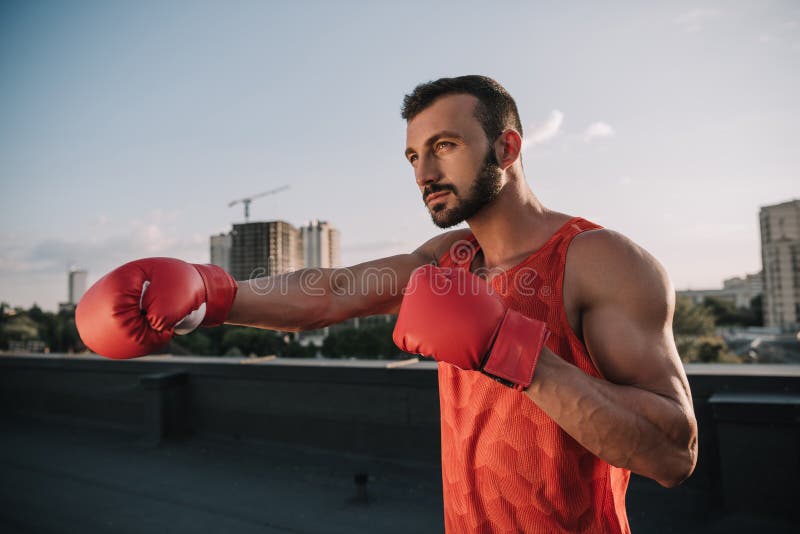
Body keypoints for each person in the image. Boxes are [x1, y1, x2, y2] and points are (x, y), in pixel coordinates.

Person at [76, 75, 698, 533]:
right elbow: (332, 293)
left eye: (445, 146)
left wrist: (515, 352)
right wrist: (214, 295)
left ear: (507, 149)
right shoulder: (448, 260)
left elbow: (673, 454)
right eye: (413, 156)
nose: (424, 172)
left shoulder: (599, 259)